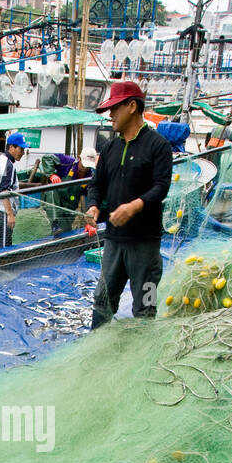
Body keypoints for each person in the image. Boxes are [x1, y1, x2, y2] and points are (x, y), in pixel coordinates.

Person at [84, 80, 172, 328]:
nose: (110, 115)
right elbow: (96, 184)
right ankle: (94, 352)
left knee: (147, 303)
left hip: (146, 245)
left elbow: (161, 187)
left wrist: (134, 206)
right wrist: (93, 206)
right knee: (102, 301)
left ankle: (144, 350)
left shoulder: (158, 146)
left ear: (132, 106)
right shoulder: (110, 148)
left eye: (115, 108)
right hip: (114, 242)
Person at [0, 131, 27, 250]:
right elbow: (4, 190)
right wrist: (10, 215)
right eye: (21, 149)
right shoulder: (8, 165)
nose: (23, 153)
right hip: (2, 213)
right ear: (11, 147)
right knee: (3, 248)